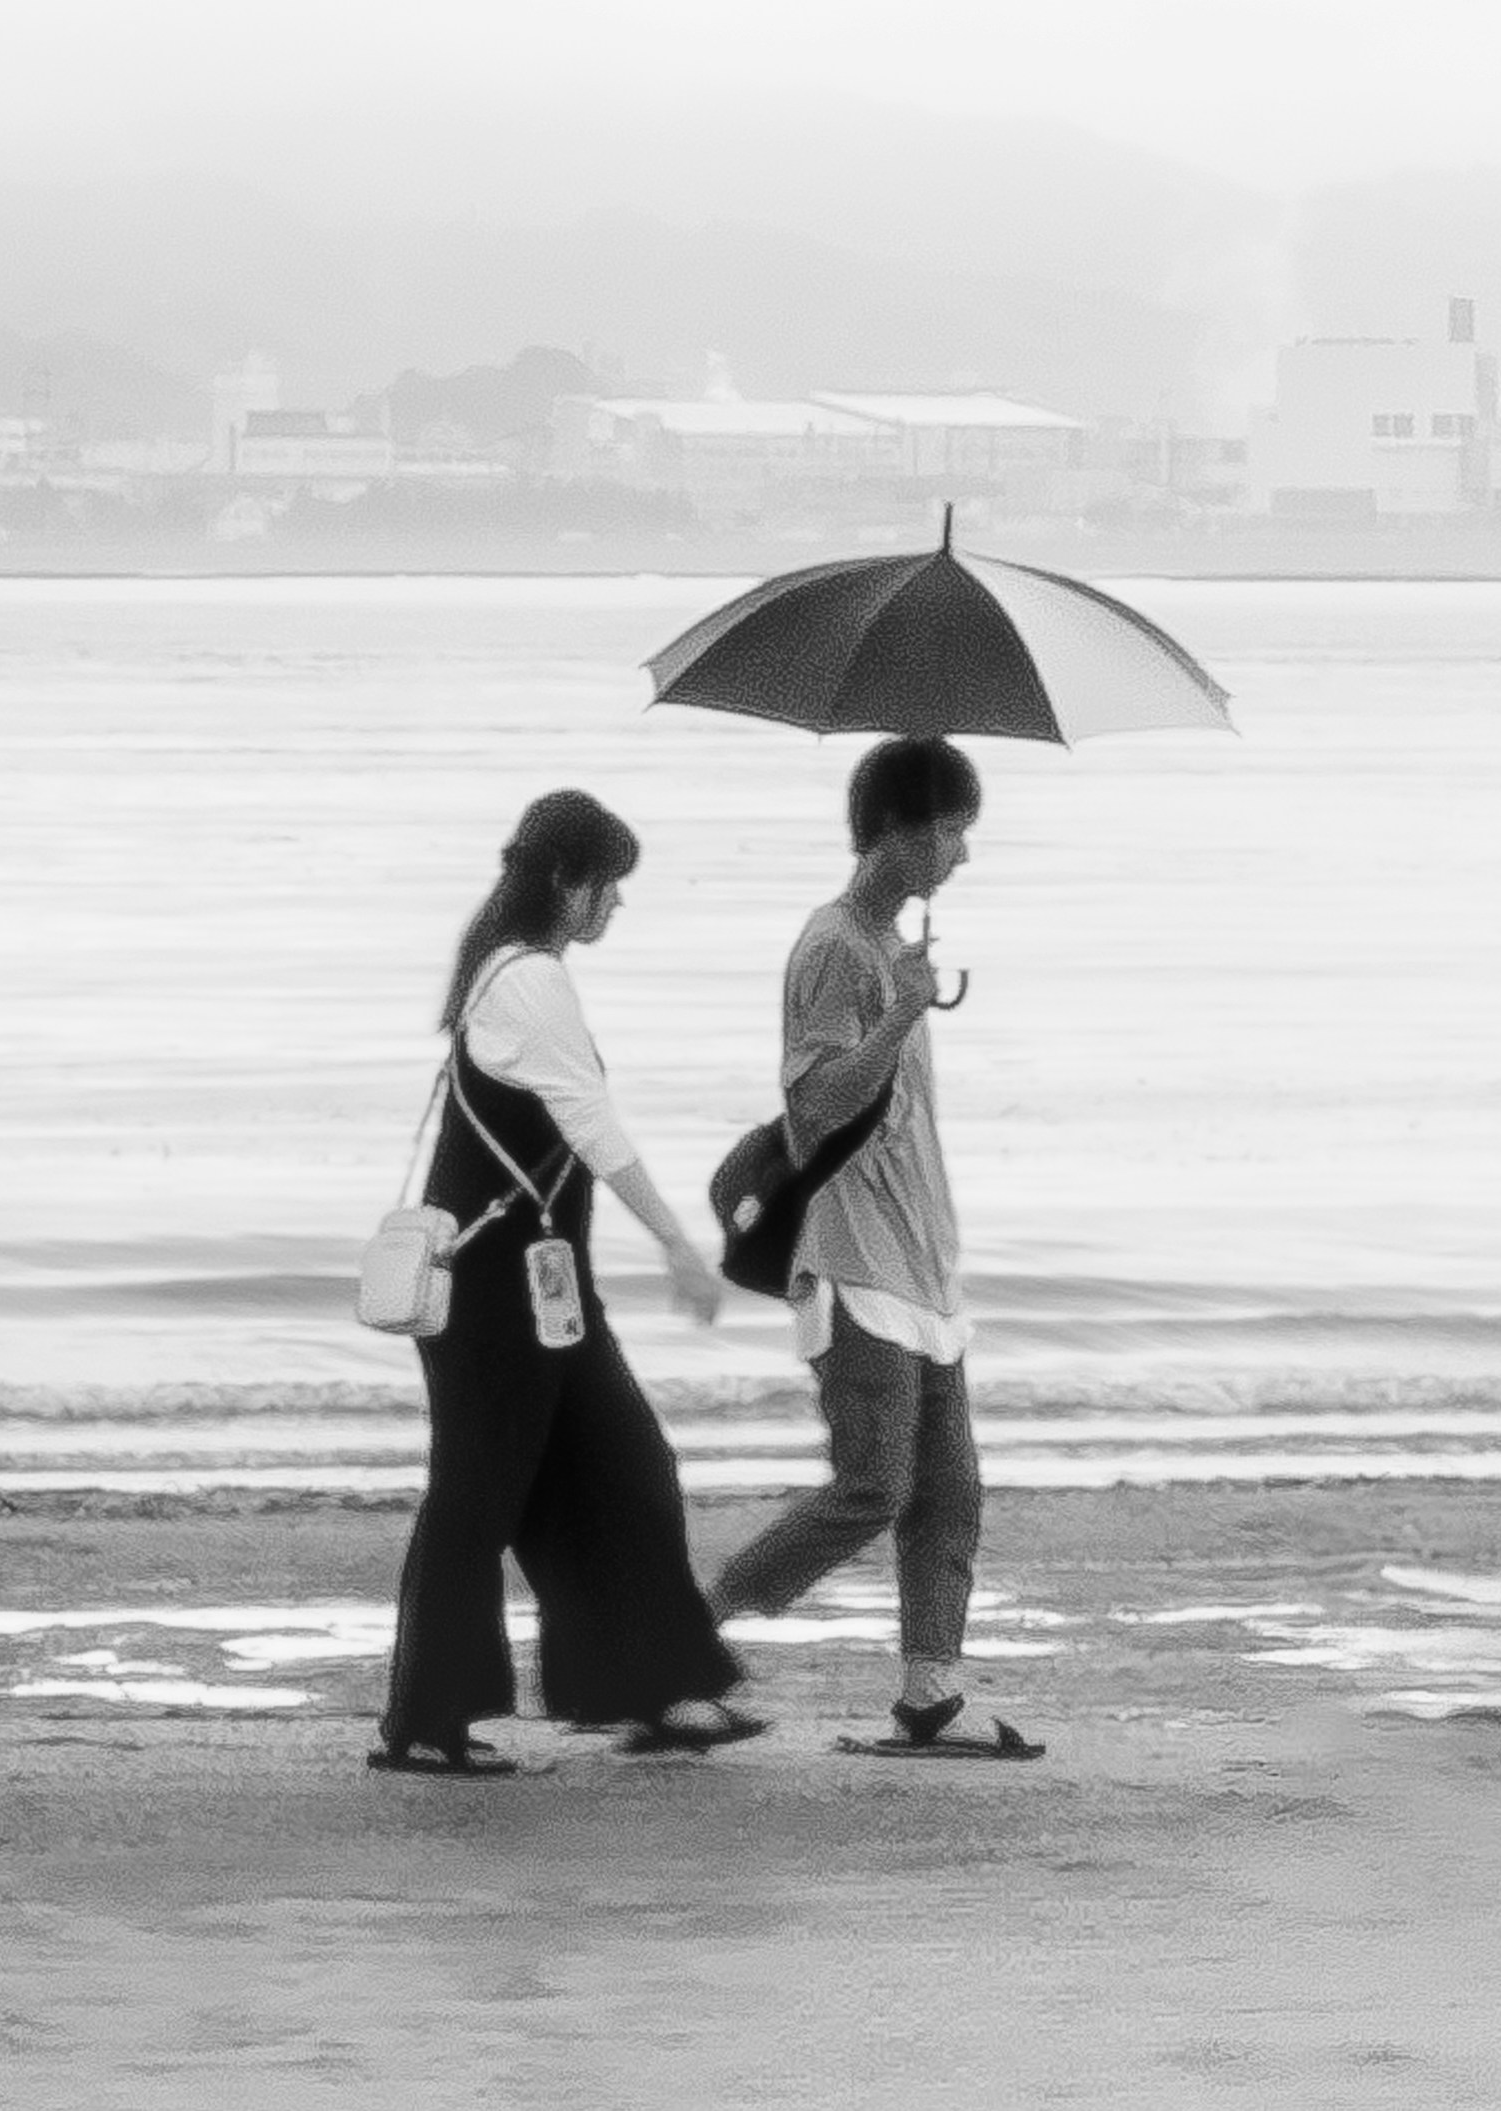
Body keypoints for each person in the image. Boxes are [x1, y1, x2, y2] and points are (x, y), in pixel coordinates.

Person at [372, 789, 763, 1775]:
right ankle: (426, 1723)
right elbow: (595, 1128)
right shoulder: (526, 982)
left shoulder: (511, 974)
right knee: (479, 1497)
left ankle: (649, 1692)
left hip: (540, 1293)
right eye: (609, 887)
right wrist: (678, 1244)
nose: (615, 908)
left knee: (627, 1471)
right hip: (504, 1299)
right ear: (566, 884)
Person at [707, 736, 1037, 1761]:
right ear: (899, 832)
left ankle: (931, 1695)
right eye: (951, 832)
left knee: (951, 1492)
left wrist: (906, 996)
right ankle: (686, 1624)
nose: (960, 857)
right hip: (854, 1260)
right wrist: (901, 1010)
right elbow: (812, 1108)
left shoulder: (886, 951)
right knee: (871, 1488)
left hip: (922, 1263)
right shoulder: (833, 949)